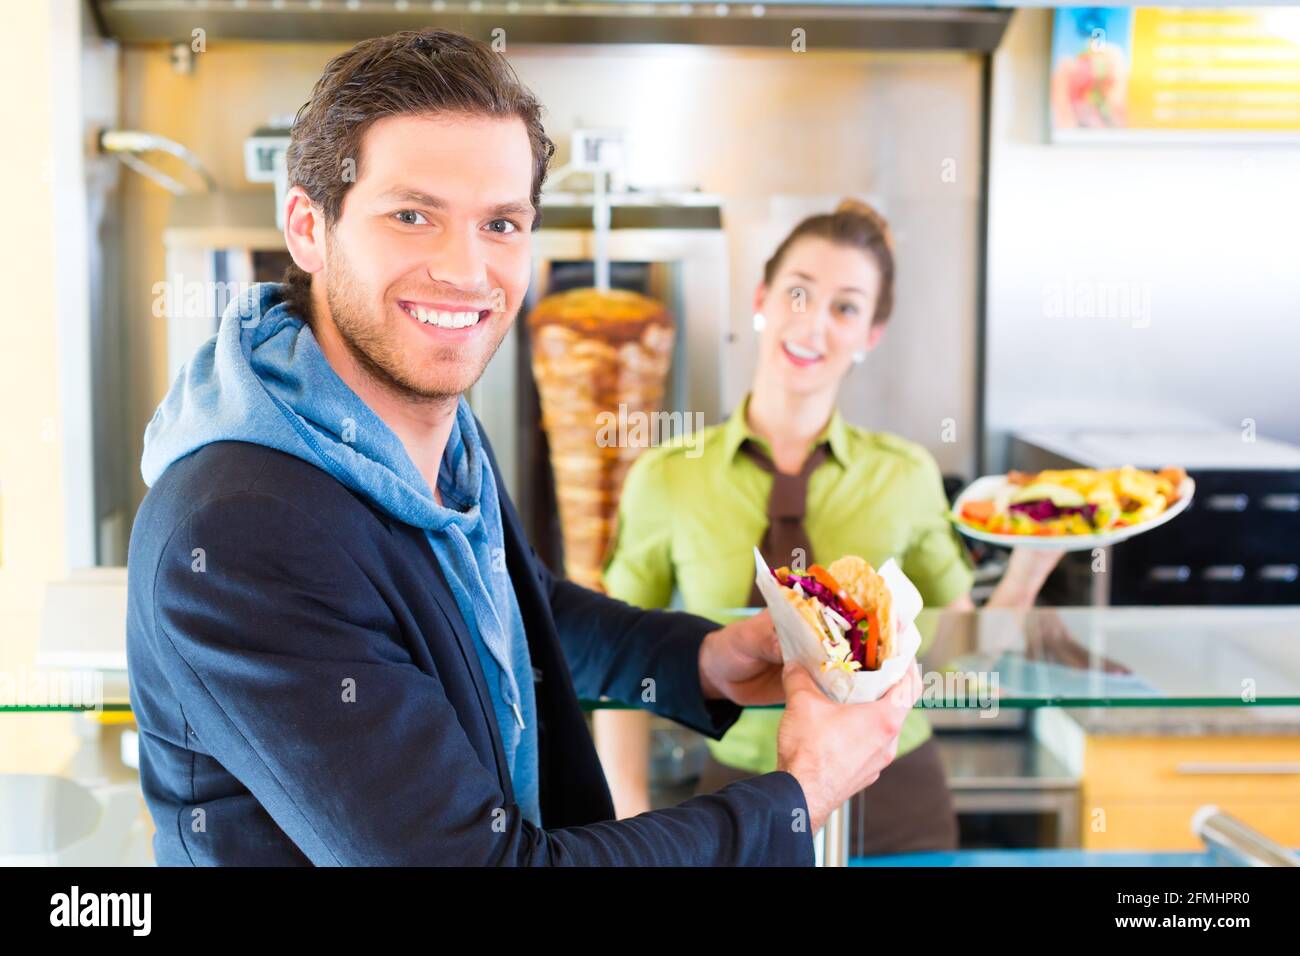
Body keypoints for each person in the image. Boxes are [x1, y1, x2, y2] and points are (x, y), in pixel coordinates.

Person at [125, 29, 921, 866]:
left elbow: (515, 606)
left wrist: (700, 659)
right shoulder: (239, 533)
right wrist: (800, 796)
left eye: (501, 223)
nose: (467, 271)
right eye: (411, 215)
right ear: (307, 227)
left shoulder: (429, 425)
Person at [598, 199, 1064, 854]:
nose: (813, 323)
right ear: (762, 297)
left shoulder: (904, 474)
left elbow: (965, 655)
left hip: (899, 797)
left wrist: (1037, 558)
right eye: (798, 293)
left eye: (845, 307)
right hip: (741, 794)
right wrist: (628, 822)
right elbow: (621, 663)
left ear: (871, 333)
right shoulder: (668, 476)